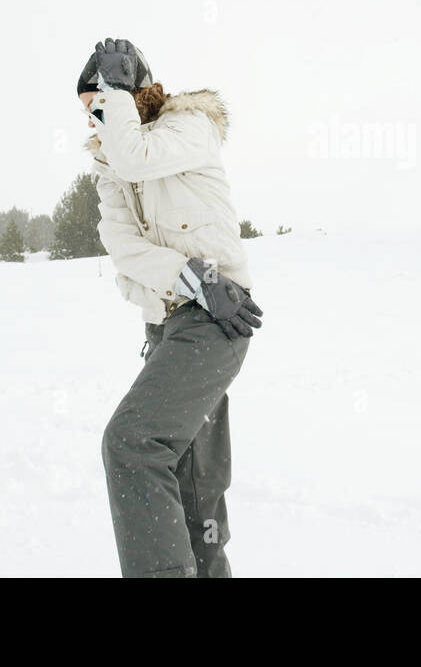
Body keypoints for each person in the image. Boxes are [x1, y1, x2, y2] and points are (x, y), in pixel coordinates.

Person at [79, 37, 263, 577]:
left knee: (133, 444)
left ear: (128, 93)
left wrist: (114, 93)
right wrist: (188, 274)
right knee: (191, 485)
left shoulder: (189, 128)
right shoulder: (109, 166)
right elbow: (125, 248)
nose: (95, 119)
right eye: (89, 110)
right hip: (168, 324)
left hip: (218, 319)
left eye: (100, 104)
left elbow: (137, 158)